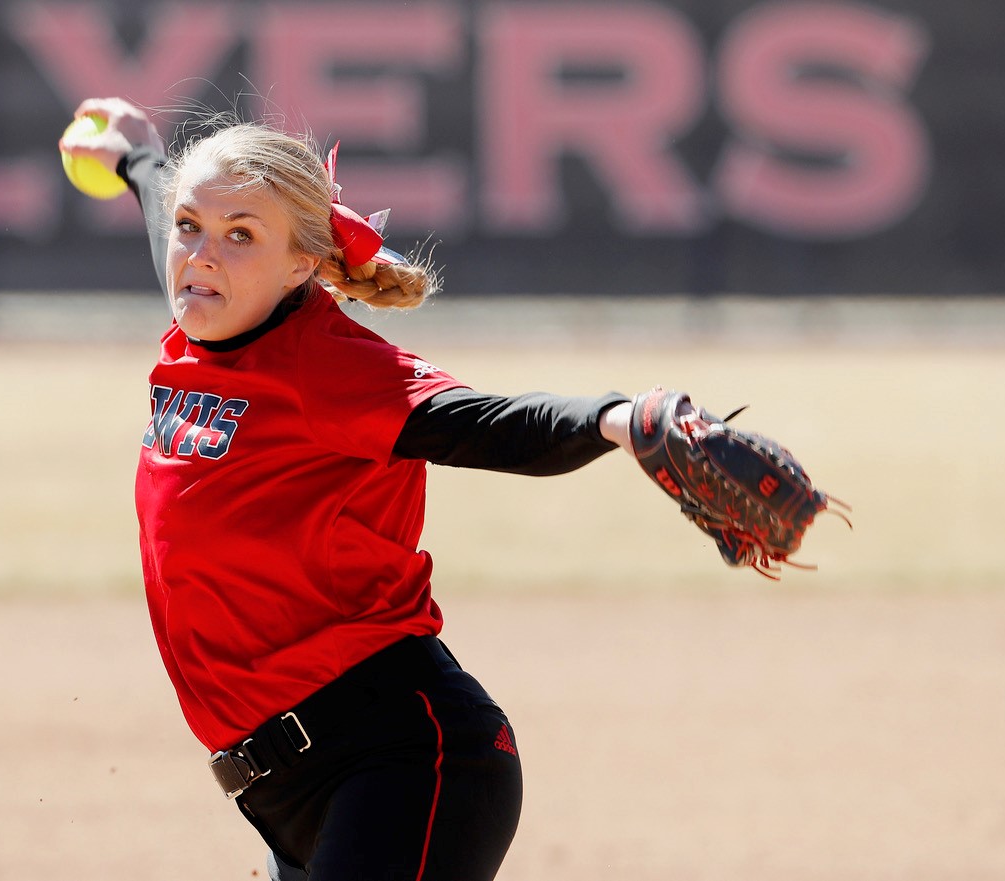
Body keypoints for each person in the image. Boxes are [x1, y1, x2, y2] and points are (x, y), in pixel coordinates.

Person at [60, 97, 639, 881]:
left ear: (302, 263)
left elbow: (483, 423)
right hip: (287, 795)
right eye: (190, 226)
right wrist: (139, 157)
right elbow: (189, 234)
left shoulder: (324, 363)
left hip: (402, 763)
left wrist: (625, 418)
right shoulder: (204, 329)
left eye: (241, 235)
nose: (199, 255)